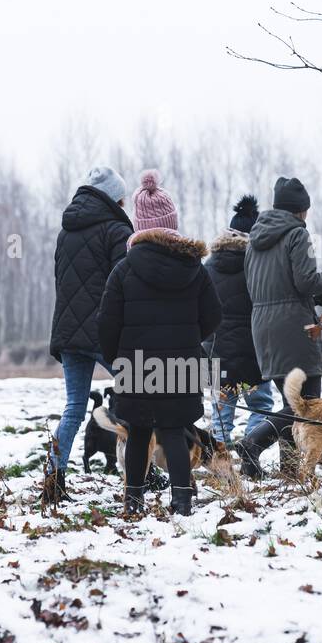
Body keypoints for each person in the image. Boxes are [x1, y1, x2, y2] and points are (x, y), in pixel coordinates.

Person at [98, 171, 221, 516]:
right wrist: (187, 340)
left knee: (138, 432)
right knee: (173, 429)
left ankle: (133, 500)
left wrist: (118, 359)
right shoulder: (195, 269)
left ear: (140, 226)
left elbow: (106, 323)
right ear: (172, 223)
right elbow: (214, 316)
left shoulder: (123, 270)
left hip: (136, 365)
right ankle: (182, 499)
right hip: (181, 364)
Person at [236, 176, 322, 479]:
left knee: (291, 402)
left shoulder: (254, 240)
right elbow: (306, 281)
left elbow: (271, 285)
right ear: (300, 210)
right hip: (295, 327)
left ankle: (289, 470)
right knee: (306, 405)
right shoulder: (298, 235)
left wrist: (312, 294)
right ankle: (253, 443)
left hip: (263, 328)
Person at [44, 166, 133, 504]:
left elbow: (60, 281)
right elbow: (122, 285)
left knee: (73, 409)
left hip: (68, 335)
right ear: (113, 198)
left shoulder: (66, 231)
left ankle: (53, 479)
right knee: (140, 394)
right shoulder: (117, 230)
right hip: (103, 333)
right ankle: (140, 474)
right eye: (122, 199)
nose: (124, 205)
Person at [203, 195, 273, 446]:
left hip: (217, 354)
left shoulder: (209, 266)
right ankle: (250, 450)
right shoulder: (258, 267)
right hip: (253, 354)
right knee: (261, 406)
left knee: (221, 414)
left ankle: (217, 463)